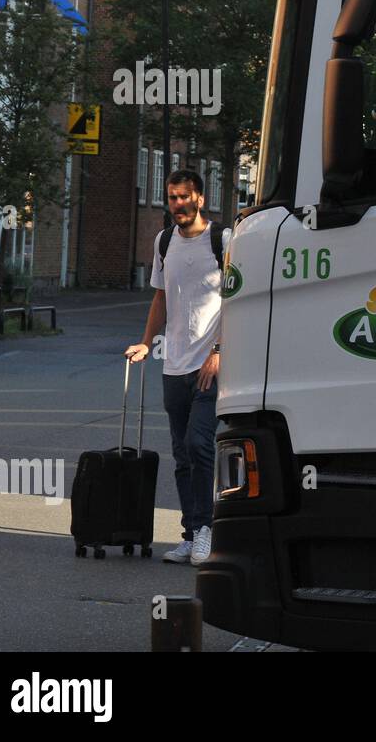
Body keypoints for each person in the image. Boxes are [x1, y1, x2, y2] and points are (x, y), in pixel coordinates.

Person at [124, 169, 224, 566]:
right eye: (172, 197)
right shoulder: (163, 241)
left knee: (200, 445)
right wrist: (146, 343)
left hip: (209, 365)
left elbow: (237, 299)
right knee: (182, 453)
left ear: (200, 199)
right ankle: (189, 532)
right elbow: (161, 298)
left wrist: (219, 351)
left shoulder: (223, 241)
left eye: (185, 197)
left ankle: (206, 530)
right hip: (174, 366)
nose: (178, 204)